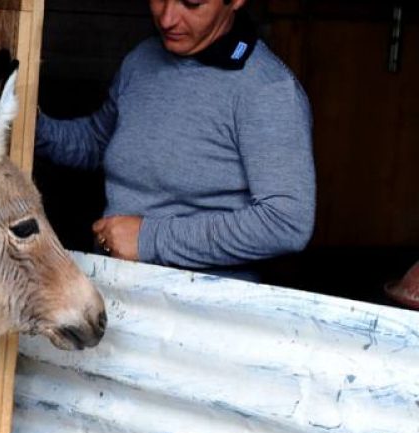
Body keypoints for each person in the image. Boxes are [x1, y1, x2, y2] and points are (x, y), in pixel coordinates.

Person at [35, 0, 316, 279]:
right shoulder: (141, 59)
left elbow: (286, 223)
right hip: (111, 288)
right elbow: (98, 143)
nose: (167, 19)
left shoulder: (269, 91)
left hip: (203, 308)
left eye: (191, 4)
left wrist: (150, 240)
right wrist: (27, 125)